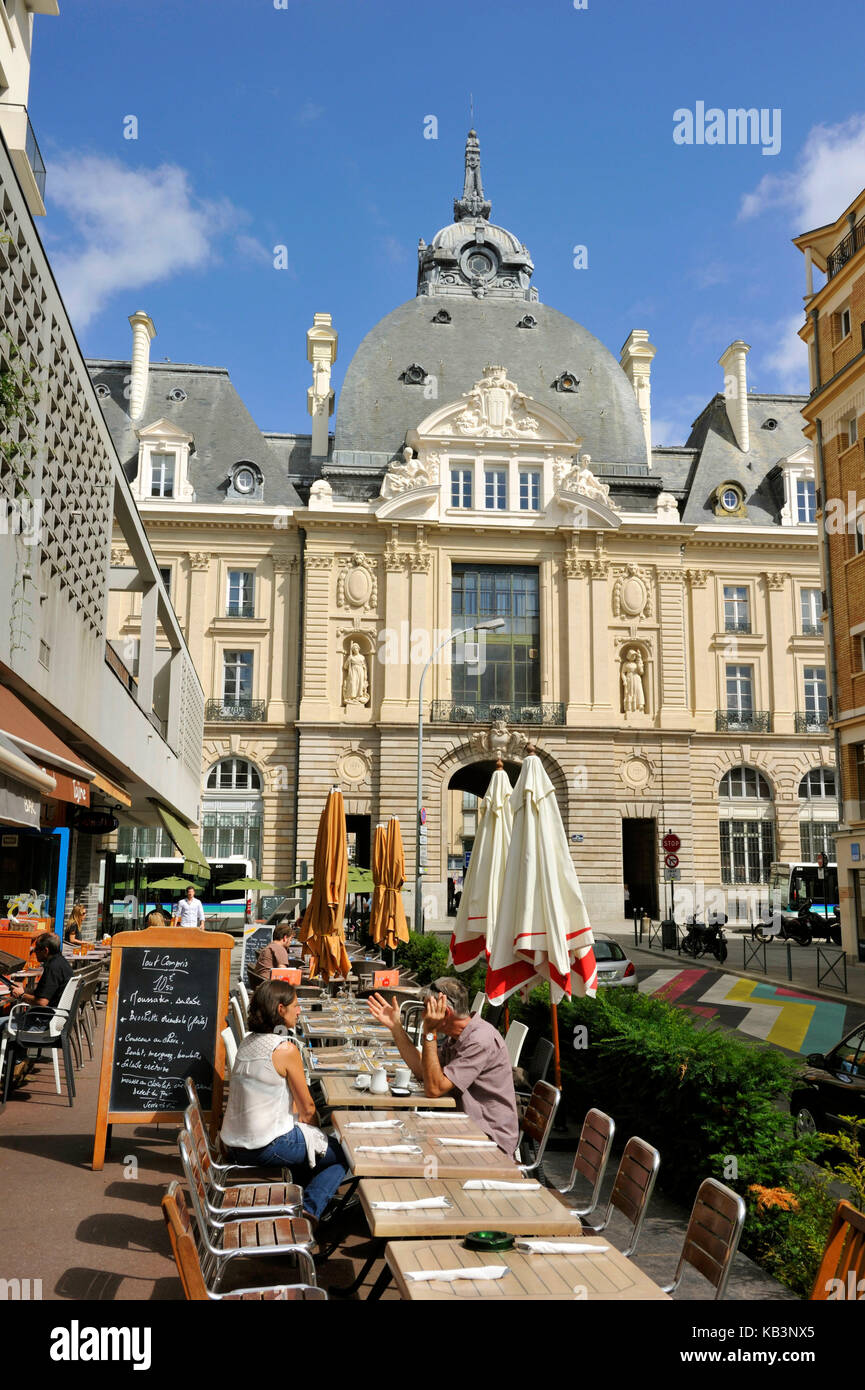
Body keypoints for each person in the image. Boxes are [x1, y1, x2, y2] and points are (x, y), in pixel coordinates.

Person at [220, 980, 347, 1226]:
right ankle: (309, 1212)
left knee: (312, 1147)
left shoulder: (247, 1042)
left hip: (234, 1144)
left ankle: (296, 1201)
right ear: (280, 1009)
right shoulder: (285, 1049)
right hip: (265, 1146)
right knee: (344, 1153)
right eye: (296, 1005)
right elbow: (308, 1108)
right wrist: (316, 1131)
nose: (299, 1010)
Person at [367, 975, 519, 1156]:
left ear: (445, 1013)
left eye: (425, 1008)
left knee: (403, 1145)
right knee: (396, 1138)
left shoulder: (480, 1040)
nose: (423, 1015)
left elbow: (434, 1089)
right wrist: (396, 1028)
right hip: (462, 1127)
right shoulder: (456, 1036)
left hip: (488, 1139)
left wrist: (429, 1032)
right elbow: (424, 1072)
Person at [9, 932, 72, 1009]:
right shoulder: (62, 962)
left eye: (37, 949)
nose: (34, 951)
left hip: (46, 1017)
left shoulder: (53, 968)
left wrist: (21, 995)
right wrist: (24, 989)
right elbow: (46, 992)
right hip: (59, 1015)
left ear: (46, 950)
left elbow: (42, 1002)